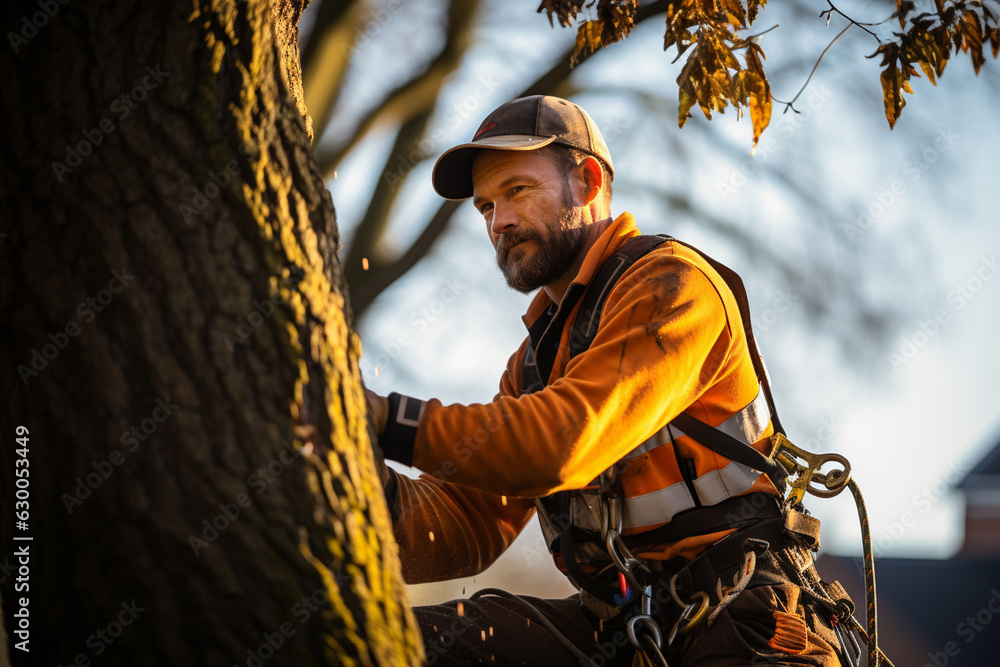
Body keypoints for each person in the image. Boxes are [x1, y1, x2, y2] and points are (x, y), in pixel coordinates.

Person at [365, 95, 856, 666]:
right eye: (485, 207)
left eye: (518, 190)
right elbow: (465, 523)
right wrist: (352, 477)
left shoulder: (673, 288)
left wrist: (380, 418)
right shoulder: (532, 366)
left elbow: (562, 440)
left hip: (748, 623)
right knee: (395, 642)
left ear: (590, 180)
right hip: (620, 634)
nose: (499, 221)